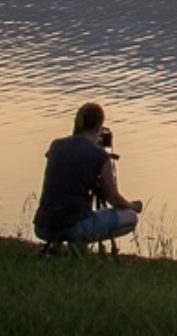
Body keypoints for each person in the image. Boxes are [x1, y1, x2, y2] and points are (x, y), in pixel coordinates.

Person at [32, 101, 143, 249]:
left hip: (42, 227)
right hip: (73, 227)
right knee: (130, 218)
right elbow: (113, 198)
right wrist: (133, 206)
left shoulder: (56, 145)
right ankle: (78, 244)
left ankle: (58, 247)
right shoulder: (99, 155)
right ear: (99, 125)